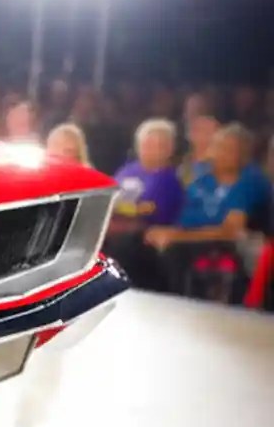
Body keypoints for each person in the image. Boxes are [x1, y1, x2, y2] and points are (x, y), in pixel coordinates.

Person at [147, 124, 270, 300]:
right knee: (141, 243)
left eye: (228, 149)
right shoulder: (203, 178)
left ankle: (179, 307)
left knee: (175, 251)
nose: (219, 154)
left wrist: (177, 237)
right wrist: (166, 232)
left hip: (228, 245)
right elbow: (184, 217)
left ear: (243, 156)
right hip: (191, 236)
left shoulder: (249, 180)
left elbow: (230, 232)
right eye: (217, 147)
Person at [104, 119, 185, 290]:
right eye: (146, 144)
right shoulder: (127, 170)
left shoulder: (168, 179)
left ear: (169, 149)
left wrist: (121, 208)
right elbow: (108, 198)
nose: (150, 150)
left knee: (123, 243)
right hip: (116, 226)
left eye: (157, 145)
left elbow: (147, 210)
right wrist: (125, 208)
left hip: (146, 234)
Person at [178, 112, 219, 186]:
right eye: (199, 130)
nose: (204, 136)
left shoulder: (223, 165)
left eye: (208, 131)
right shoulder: (183, 168)